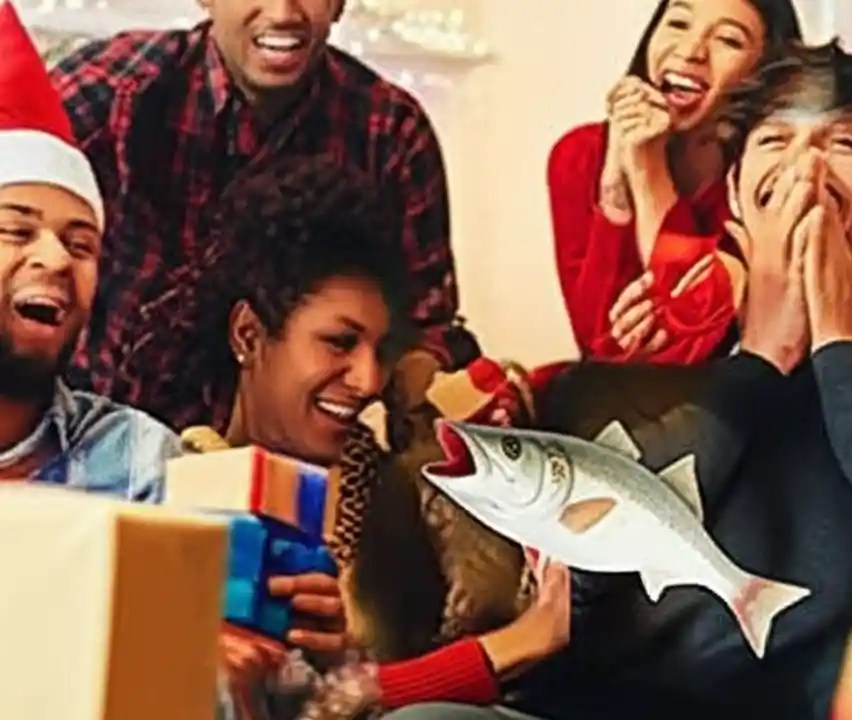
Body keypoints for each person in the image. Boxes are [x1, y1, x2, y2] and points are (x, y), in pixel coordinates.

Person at [399, 41, 852, 720]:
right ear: (736, 192)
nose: (805, 162)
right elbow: (587, 587)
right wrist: (761, 358)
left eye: (841, 142)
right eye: (776, 138)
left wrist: (839, 352)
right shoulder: (642, 389)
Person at [0, 5, 345, 718]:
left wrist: (291, 659)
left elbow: (240, 677)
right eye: (14, 230)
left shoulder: (141, 463)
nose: (54, 260)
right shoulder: (121, 88)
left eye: (82, 244)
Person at [150, 156, 572, 712]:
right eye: (339, 343)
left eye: (381, 349)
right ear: (248, 335)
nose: (369, 379)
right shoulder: (172, 492)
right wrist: (510, 648)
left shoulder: (421, 480)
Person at [49, 0, 478, 430]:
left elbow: (427, 326)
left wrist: (422, 387)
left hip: (299, 461)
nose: (282, 12)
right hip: (90, 445)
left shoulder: (390, 134)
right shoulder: (108, 97)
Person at [548, 0, 801, 364]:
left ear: (764, 72)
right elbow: (600, 343)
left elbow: (694, 340)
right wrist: (616, 191)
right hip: (606, 398)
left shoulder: (767, 179)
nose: (690, 51)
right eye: (679, 23)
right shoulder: (578, 155)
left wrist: (647, 166)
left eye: (728, 40)